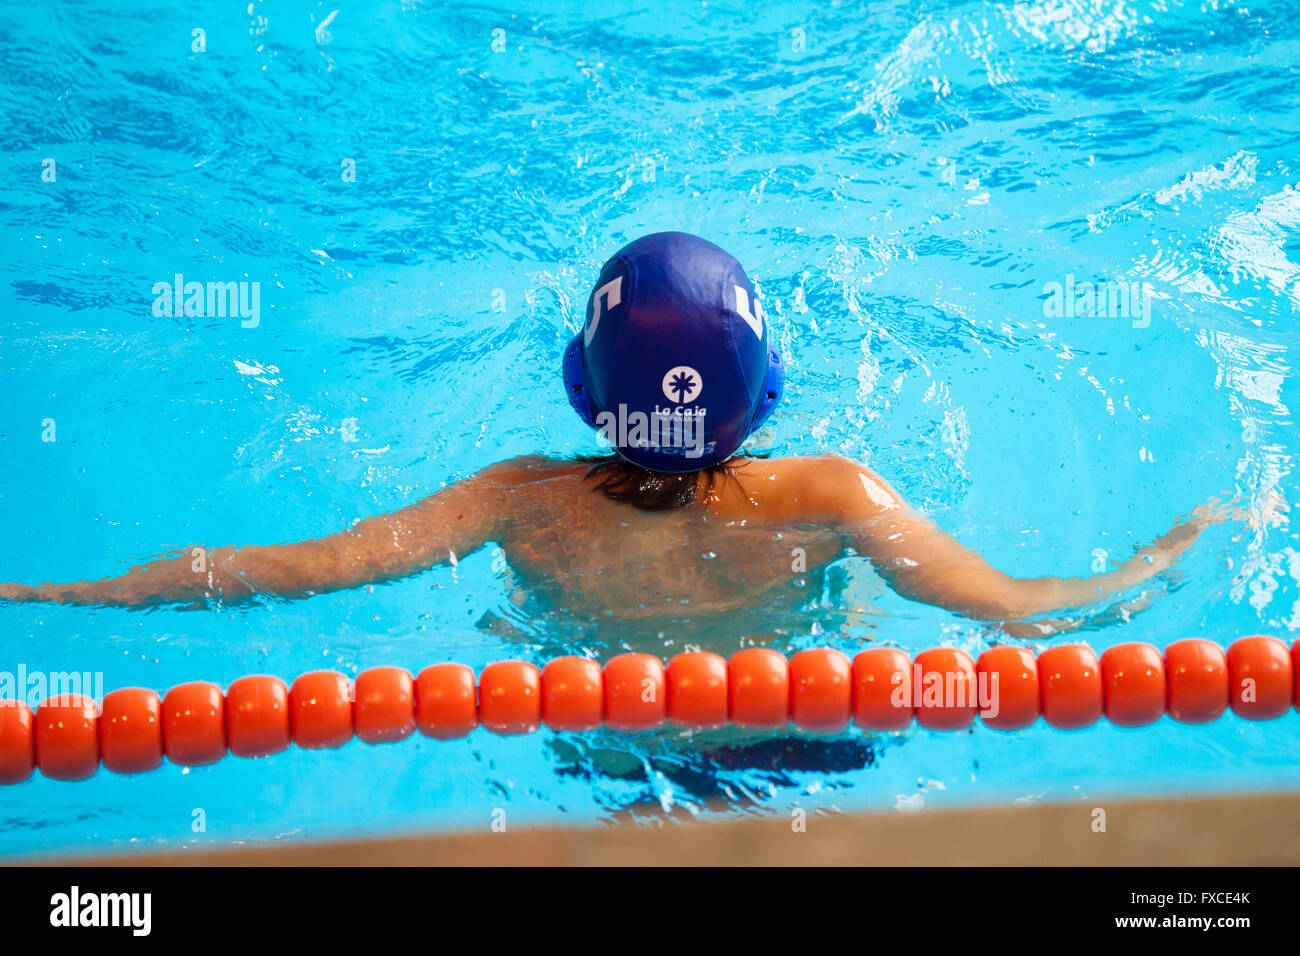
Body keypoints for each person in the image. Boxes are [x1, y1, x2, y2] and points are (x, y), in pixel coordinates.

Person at [0, 232, 1242, 636]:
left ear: (588, 396)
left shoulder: (517, 498)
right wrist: (1169, 551)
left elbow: (301, 569)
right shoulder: (831, 492)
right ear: (761, 396)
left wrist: (60, 591)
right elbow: (1022, 610)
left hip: (604, 757)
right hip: (814, 740)